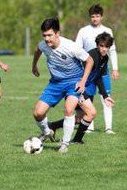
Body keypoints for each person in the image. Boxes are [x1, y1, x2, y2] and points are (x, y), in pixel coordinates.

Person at [32, 18, 96, 153]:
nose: (47, 39)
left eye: (50, 35)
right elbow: (38, 49)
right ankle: (48, 132)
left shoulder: (71, 46)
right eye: (44, 35)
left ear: (57, 33)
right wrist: (34, 66)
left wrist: (83, 81)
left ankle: (64, 145)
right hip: (55, 82)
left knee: (69, 109)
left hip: (73, 81)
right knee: (38, 113)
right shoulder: (43, 45)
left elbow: (89, 61)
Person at [49, 33, 115, 143]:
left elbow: (98, 77)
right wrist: (78, 87)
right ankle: (76, 139)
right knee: (91, 113)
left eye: (107, 47)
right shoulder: (91, 56)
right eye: (102, 46)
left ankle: (53, 126)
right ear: (97, 45)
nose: (104, 49)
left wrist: (105, 96)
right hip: (76, 87)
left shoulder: (105, 58)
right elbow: (79, 72)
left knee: (80, 118)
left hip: (84, 88)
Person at [75, 4, 119, 134]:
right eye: (92, 16)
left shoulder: (108, 30)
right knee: (89, 97)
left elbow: (113, 50)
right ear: (90, 17)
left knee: (106, 96)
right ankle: (89, 126)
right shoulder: (83, 31)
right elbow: (77, 49)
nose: (95, 18)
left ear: (102, 17)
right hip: (87, 71)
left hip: (103, 70)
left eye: (97, 16)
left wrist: (115, 68)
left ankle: (108, 127)